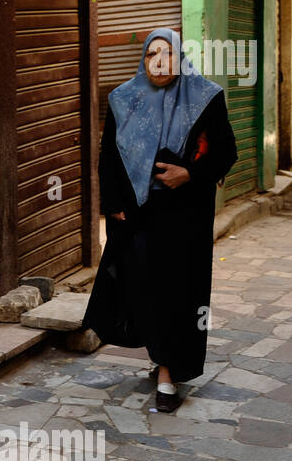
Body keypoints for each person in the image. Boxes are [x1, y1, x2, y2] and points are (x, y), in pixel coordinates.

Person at [82, 28, 237, 413]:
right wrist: (114, 203)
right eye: (152, 53)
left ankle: (168, 373)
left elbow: (225, 152)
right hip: (137, 215)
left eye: (167, 53)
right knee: (143, 287)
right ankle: (161, 354)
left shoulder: (205, 97)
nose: (159, 61)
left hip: (185, 216)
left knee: (178, 292)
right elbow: (108, 155)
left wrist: (189, 175)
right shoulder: (123, 99)